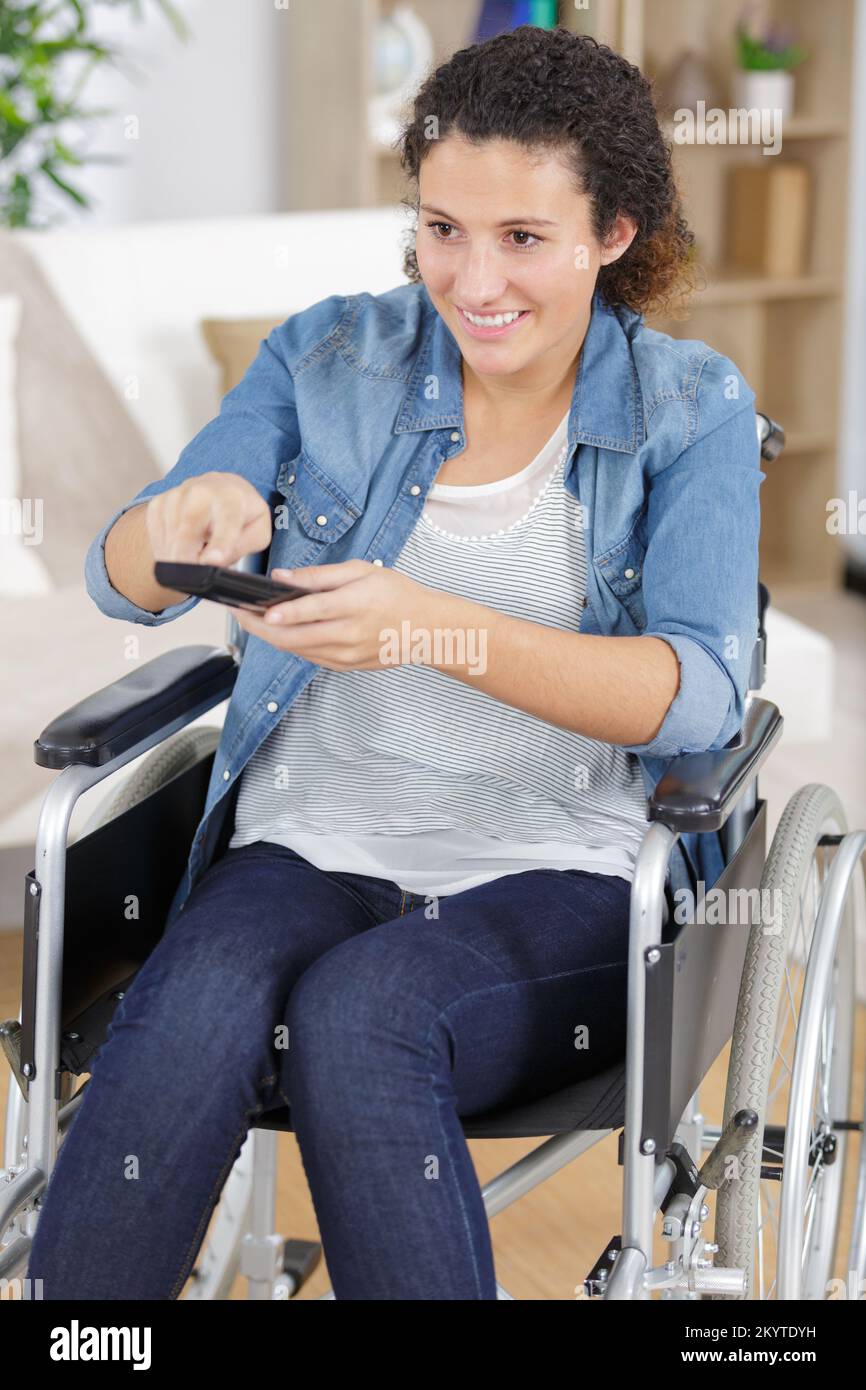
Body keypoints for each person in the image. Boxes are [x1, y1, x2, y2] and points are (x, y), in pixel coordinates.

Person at [27, 25, 762, 1300]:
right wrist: (185, 512)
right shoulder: (328, 357)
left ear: (614, 235)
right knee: (192, 1002)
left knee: (363, 1015)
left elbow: (697, 692)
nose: (471, 280)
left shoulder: (689, 406)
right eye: (439, 228)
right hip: (309, 841)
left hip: (561, 867)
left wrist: (429, 625)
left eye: (522, 238)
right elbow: (120, 571)